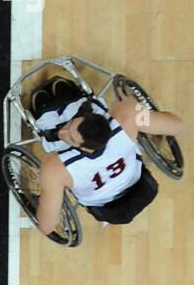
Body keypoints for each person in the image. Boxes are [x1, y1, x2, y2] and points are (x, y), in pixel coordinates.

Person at [30, 77, 186, 232]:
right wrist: (139, 111)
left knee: (45, 107)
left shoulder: (56, 166)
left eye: (70, 137)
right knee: (60, 96)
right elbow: (179, 126)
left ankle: (56, 111)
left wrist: (47, 184)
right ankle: (68, 109)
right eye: (71, 124)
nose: (63, 132)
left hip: (103, 206)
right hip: (135, 181)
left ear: (85, 148)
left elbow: (47, 226)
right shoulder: (126, 116)